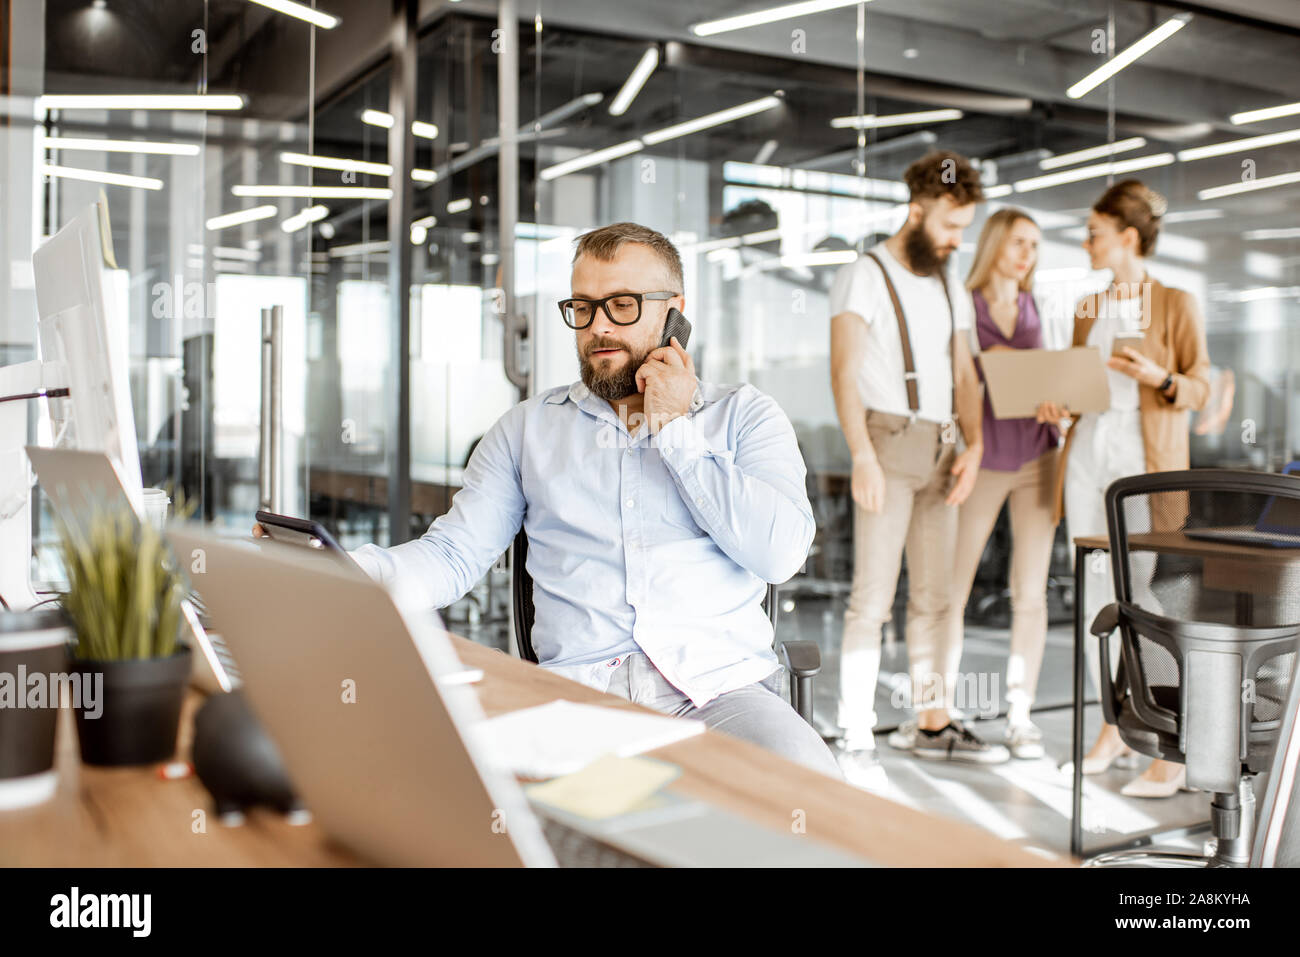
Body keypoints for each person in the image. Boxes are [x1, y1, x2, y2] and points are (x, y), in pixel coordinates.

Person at [261, 222, 839, 777]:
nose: (598, 329)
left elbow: (779, 554)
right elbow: (452, 556)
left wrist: (675, 431)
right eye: (583, 307)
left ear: (675, 312)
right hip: (576, 698)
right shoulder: (524, 431)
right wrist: (337, 571)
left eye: (623, 305)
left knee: (813, 802)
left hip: (721, 692)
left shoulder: (745, 416)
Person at [829, 150, 1004, 788]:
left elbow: (965, 373)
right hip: (887, 439)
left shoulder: (950, 283)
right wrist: (862, 456)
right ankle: (853, 734)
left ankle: (932, 721)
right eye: (951, 226)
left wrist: (977, 447)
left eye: (965, 228)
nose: (959, 241)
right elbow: (844, 371)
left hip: (946, 448)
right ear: (917, 210)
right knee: (872, 598)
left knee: (937, 598)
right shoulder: (866, 274)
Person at [1038, 180, 1211, 798]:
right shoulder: (1087, 308)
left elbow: (1201, 386)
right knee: (1093, 598)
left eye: (1094, 232)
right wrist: (1058, 406)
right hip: (1087, 455)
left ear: (1128, 237)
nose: (1086, 241)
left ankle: (1169, 747)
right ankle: (1111, 728)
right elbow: (1081, 389)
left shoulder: (1175, 301)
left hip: (1146, 464)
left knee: (1148, 601)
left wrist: (1159, 375)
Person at [948, 208, 1060, 760]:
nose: (1026, 255)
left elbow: (1055, 374)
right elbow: (961, 376)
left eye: (1034, 246)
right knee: (954, 587)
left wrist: (1053, 398)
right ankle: (939, 711)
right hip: (985, 457)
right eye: (1019, 243)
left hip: (1038, 456)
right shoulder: (962, 305)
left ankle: (1021, 715)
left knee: (1031, 593)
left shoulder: (1039, 305)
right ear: (994, 244)